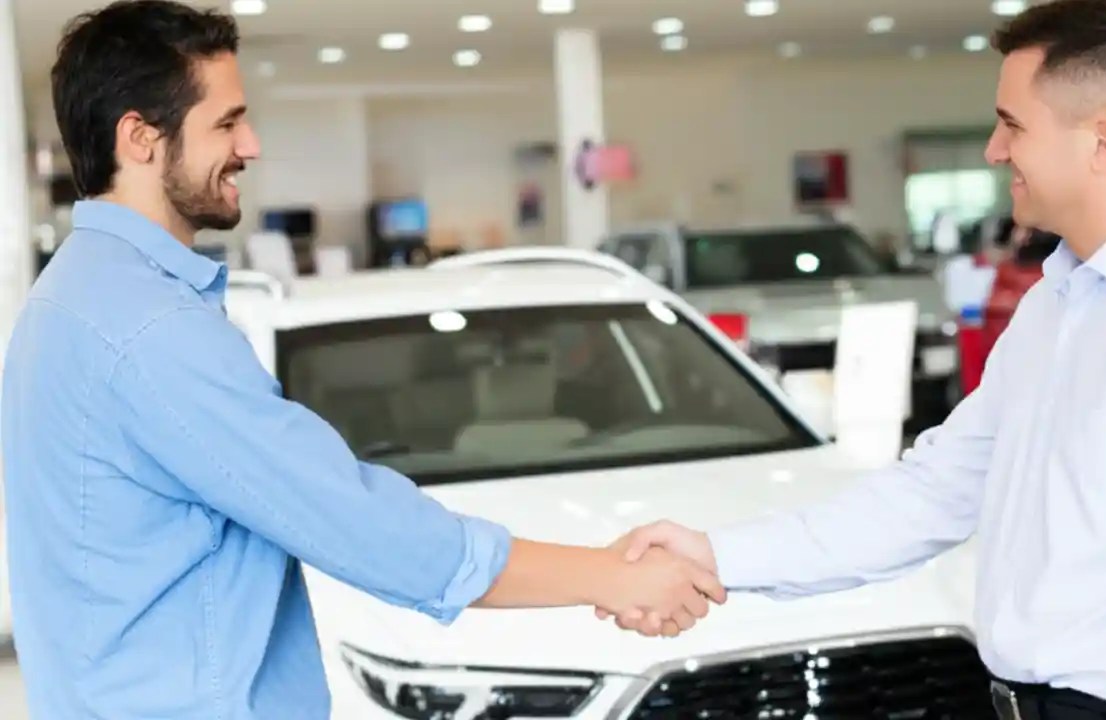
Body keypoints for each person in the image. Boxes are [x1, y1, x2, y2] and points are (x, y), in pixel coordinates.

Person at [0, 2, 724, 718]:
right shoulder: (147, 329)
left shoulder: (68, 300)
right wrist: (609, 576)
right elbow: (355, 520)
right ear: (139, 138)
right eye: (226, 122)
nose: (249, 145)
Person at [601, 1, 1106, 718]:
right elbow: (931, 494)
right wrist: (718, 556)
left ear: (1102, 142)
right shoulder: (1059, 303)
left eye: (1012, 124)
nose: (994, 149)